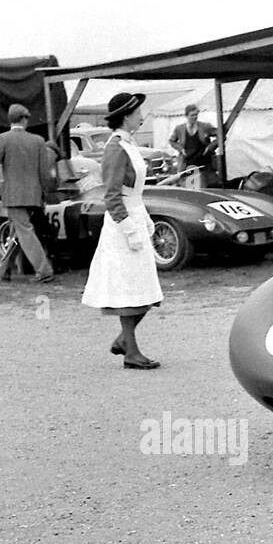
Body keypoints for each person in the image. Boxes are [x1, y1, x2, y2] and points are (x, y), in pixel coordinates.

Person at [82, 93, 162, 370]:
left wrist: (145, 219)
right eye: (138, 113)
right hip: (122, 224)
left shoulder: (129, 144)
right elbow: (112, 195)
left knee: (146, 288)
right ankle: (131, 351)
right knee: (130, 289)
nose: (142, 117)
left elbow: (134, 191)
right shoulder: (116, 147)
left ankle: (124, 340)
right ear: (127, 116)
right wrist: (129, 229)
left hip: (135, 215)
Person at [0, 104, 56, 283]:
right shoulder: (38, 141)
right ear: (24, 119)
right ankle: (4, 270)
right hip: (34, 196)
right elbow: (44, 173)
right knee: (17, 233)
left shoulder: (2, 139)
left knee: (23, 231)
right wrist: (47, 193)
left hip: (13, 196)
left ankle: (44, 271)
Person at [169, 104, 218, 188]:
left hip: (204, 164)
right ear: (186, 116)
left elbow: (221, 135)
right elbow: (171, 141)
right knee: (188, 188)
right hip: (187, 164)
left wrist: (210, 147)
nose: (195, 117)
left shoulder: (205, 126)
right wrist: (181, 149)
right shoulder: (179, 129)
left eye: (196, 115)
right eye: (192, 115)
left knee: (203, 186)